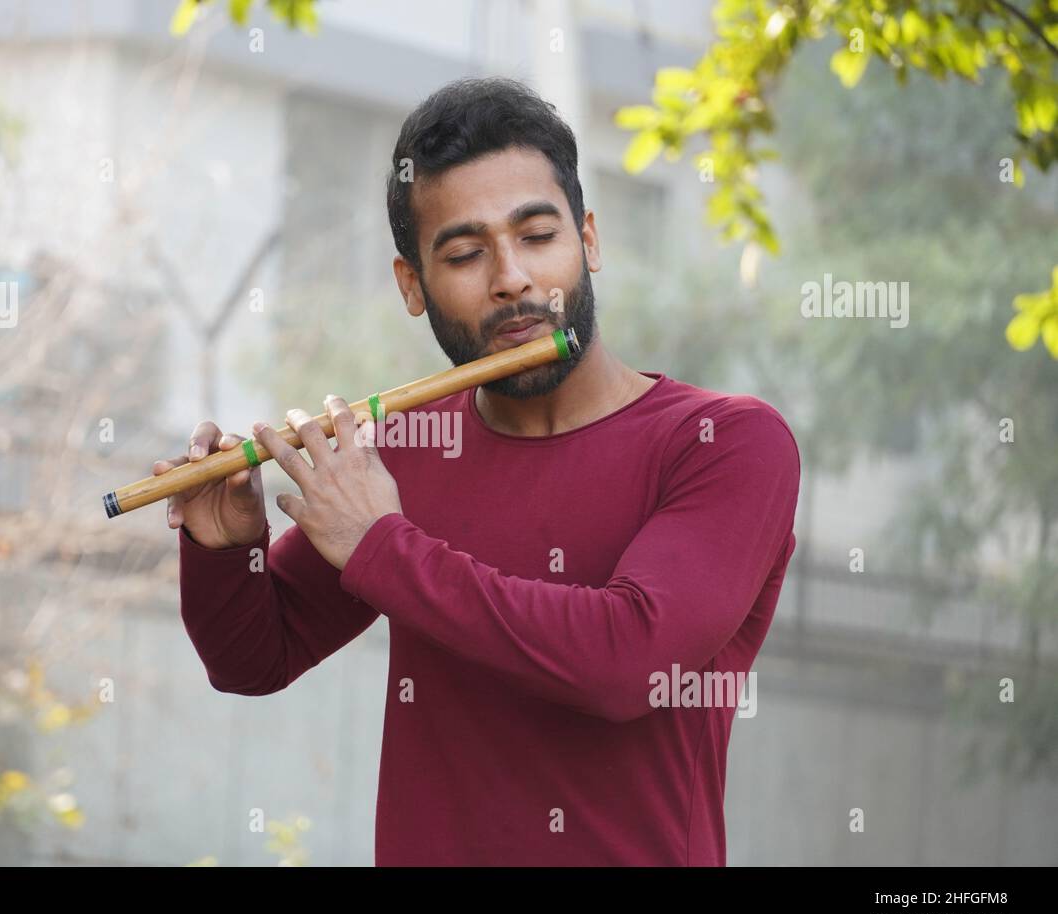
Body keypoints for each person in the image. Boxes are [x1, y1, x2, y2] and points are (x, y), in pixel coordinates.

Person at [153, 77, 801, 866]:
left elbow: (630, 664)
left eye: (537, 235)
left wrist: (382, 547)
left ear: (588, 240)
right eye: (464, 253)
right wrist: (227, 549)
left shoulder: (725, 443)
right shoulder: (411, 454)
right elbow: (253, 659)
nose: (512, 279)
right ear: (412, 287)